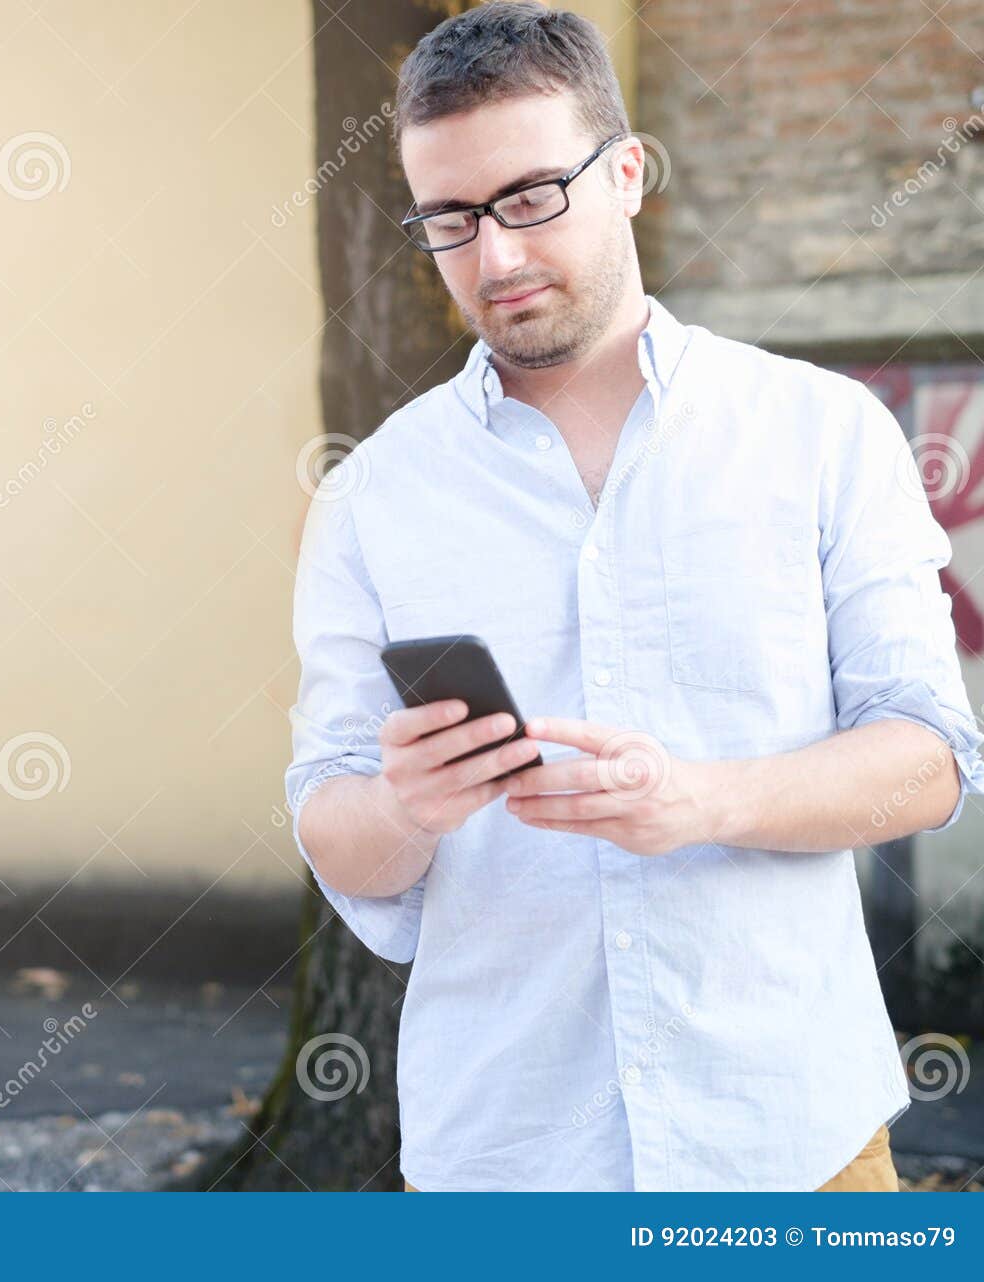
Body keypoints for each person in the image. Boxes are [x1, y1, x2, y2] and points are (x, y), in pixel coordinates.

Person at [285, 0, 983, 1193]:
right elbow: (326, 819)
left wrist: (698, 802)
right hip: (505, 1157)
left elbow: (929, 757)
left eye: (529, 198)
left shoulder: (820, 434)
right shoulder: (371, 498)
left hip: (792, 1140)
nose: (492, 256)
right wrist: (407, 805)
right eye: (449, 218)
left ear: (625, 174)